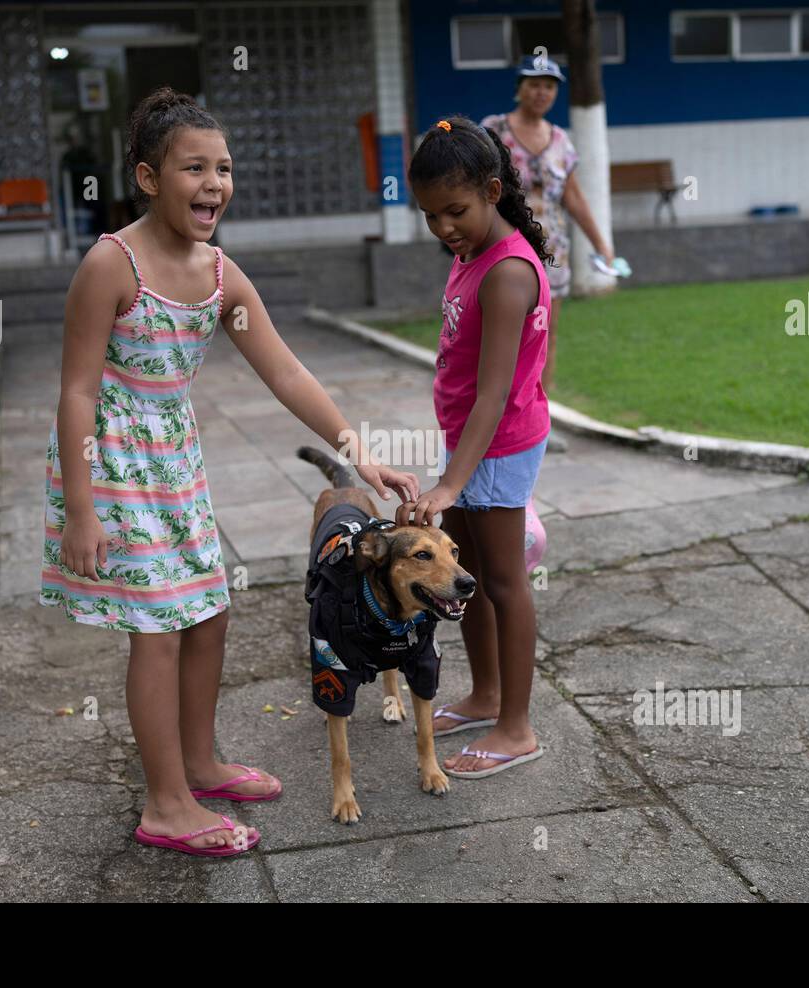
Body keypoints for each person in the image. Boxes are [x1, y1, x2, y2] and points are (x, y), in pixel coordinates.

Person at [40, 88, 419, 854]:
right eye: (194, 168)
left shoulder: (219, 275)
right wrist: (81, 508)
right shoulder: (110, 263)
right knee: (158, 629)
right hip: (112, 467)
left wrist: (359, 449)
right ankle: (165, 802)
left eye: (224, 167)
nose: (215, 183)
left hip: (175, 464)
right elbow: (76, 390)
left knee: (210, 611)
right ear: (148, 178)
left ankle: (200, 758)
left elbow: (284, 372)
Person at [397, 116, 549, 778]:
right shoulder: (472, 256)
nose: (444, 227)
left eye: (455, 211)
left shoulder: (506, 273)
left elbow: (495, 394)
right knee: (470, 580)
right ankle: (487, 693)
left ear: (492, 190)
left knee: (506, 583)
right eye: (430, 215)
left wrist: (451, 484)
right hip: (473, 446)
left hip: (494, 446)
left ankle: (517, 727)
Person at [481, 56, 615, 452]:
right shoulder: (493, 130)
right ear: (519, 87)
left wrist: (601, 245)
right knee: (491, 335)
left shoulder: (561, 140)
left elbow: (573, 196)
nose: (542, 92)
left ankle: (536, 421)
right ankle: (488, 419)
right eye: (534, 83)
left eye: (550, 86)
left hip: (550, 256)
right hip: (500, 254)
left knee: (542, 338)